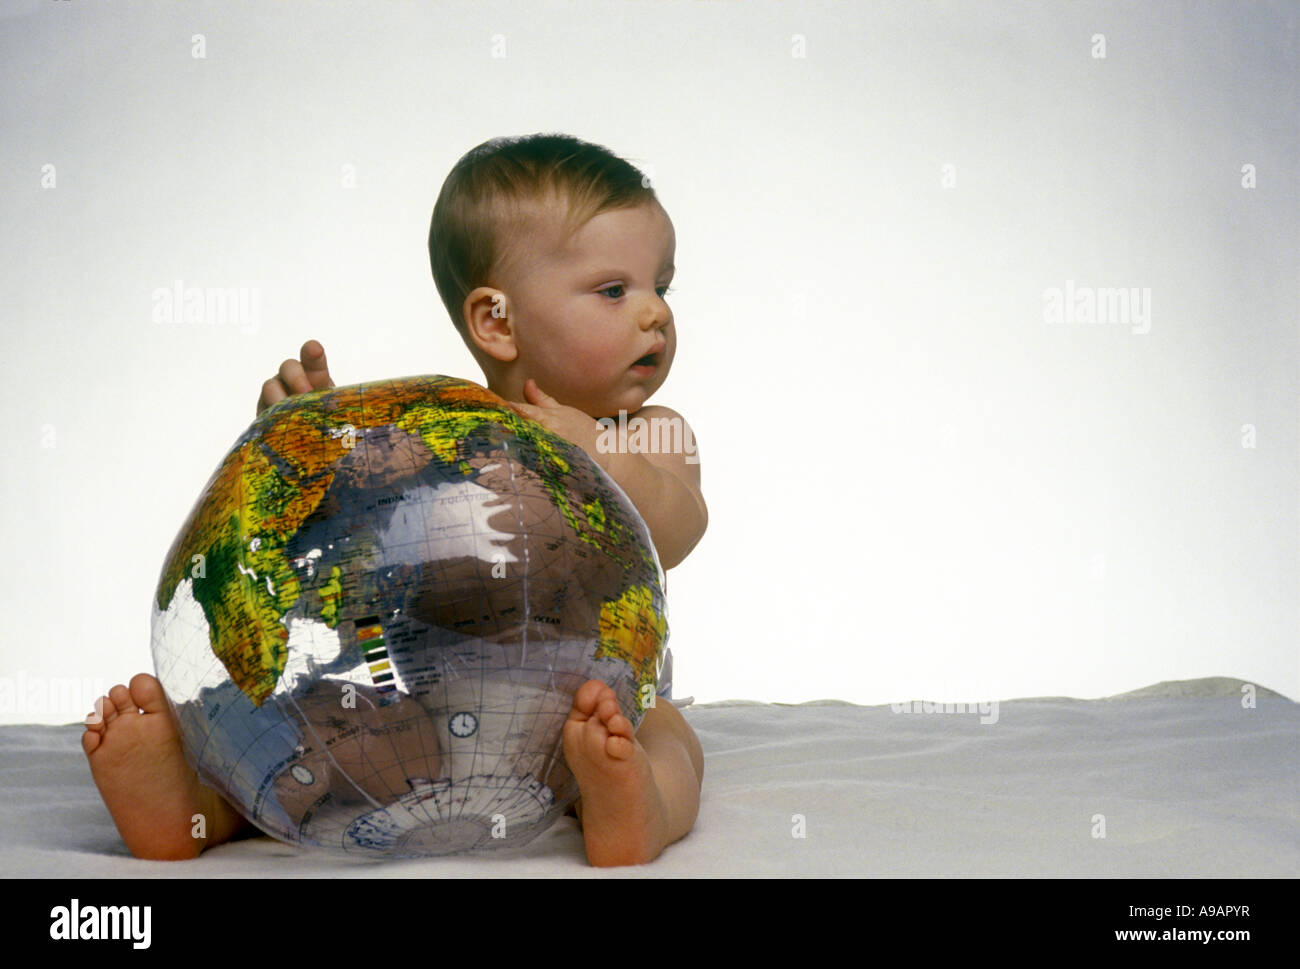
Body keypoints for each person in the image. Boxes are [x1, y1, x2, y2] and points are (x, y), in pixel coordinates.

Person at [83, 133, 707, 867]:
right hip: (416, 693)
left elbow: (678, 526)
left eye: (661, 286)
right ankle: (199, 806)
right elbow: (352, 538)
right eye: (615, 290)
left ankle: (638, 803)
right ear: (496, 321)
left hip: (591, 699)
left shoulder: (649, 434)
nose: (654, 315)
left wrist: (595, 452)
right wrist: (306, 443)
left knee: (667, 737)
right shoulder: (439, 431)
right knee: (318, 731)